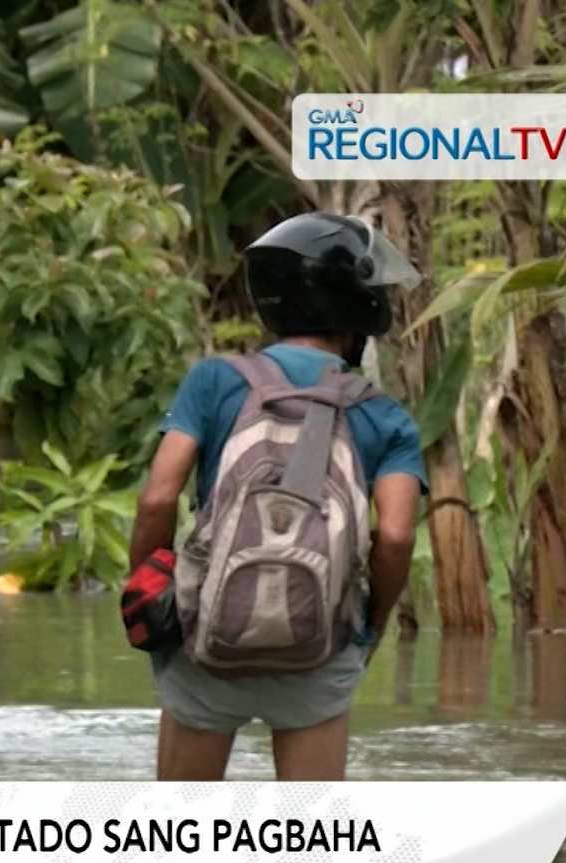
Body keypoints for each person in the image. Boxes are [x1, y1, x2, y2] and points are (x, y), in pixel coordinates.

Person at [127, 212, 427, 781]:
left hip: (205, 639)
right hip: (319, 638)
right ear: (358, 303)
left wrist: (150, 593)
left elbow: (157, 500)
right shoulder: (384, 416)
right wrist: (368, 629)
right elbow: (396, 535)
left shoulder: (214, 381)